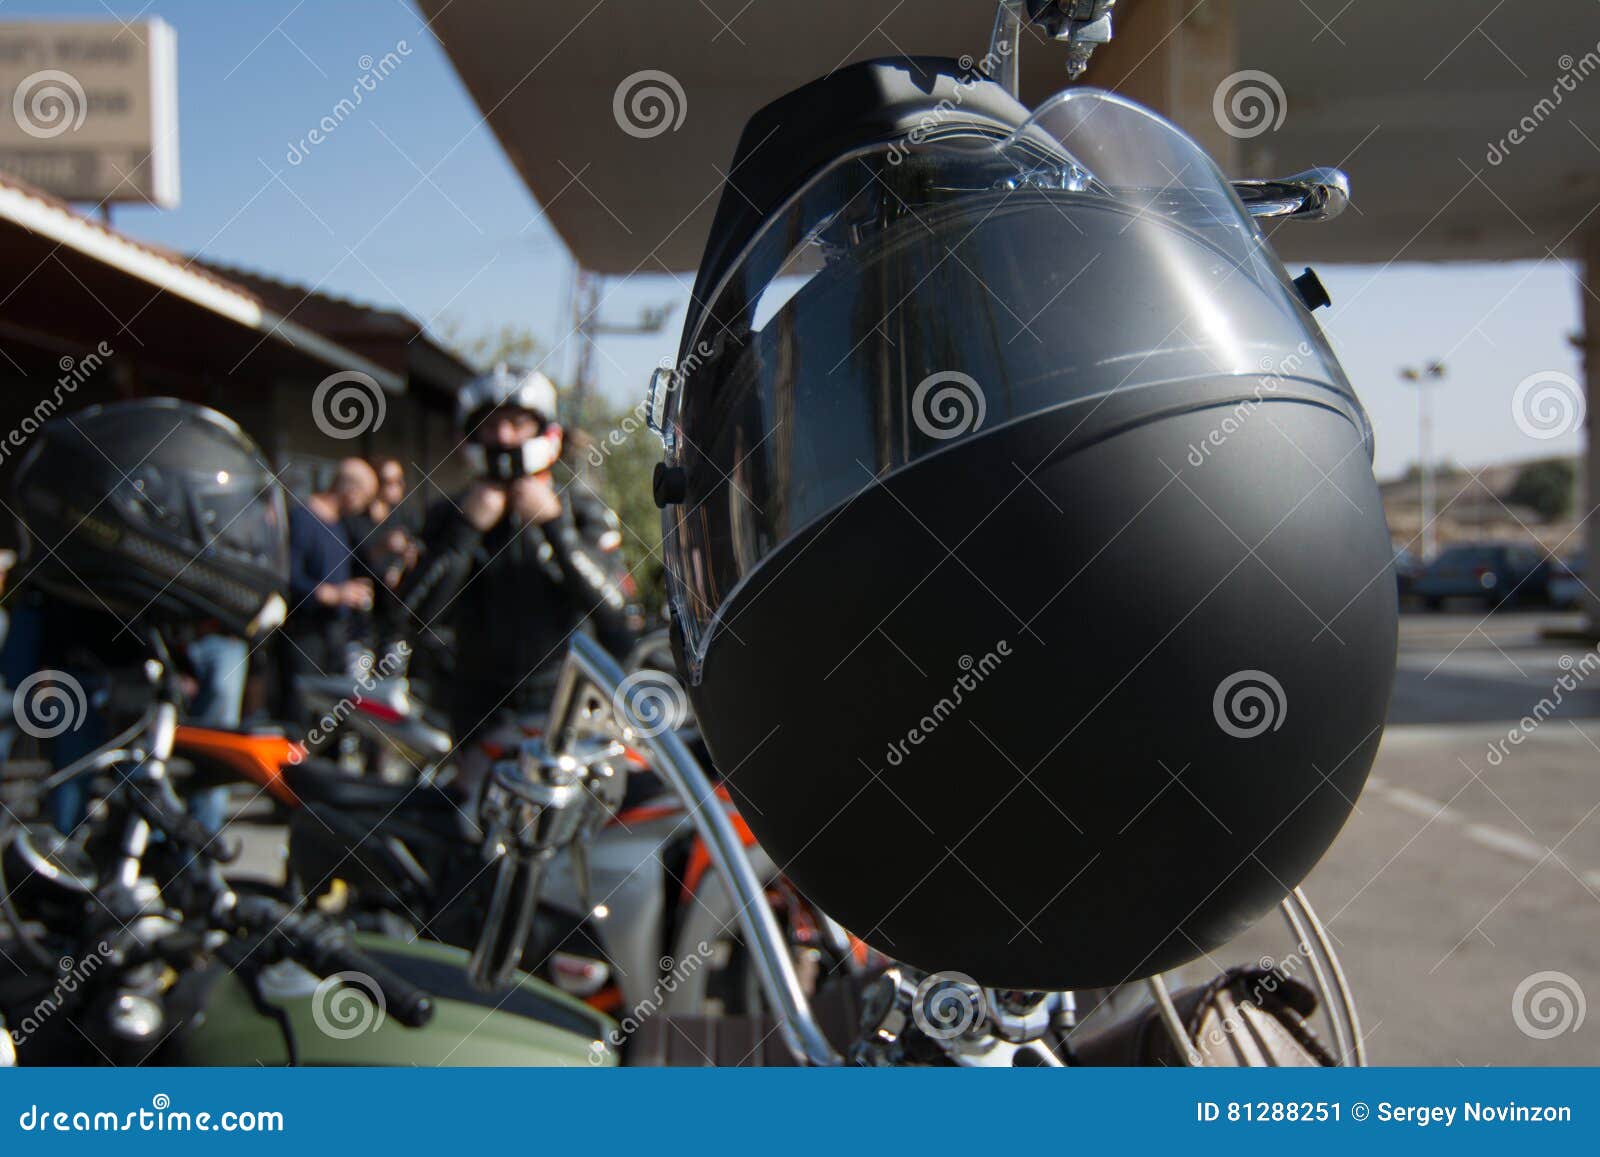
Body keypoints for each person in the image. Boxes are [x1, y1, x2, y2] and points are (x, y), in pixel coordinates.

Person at [394, 365, 635, 756]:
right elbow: (410, 614)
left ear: (545, 431)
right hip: (476, 711)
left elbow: (618, 616)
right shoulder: (447, 515)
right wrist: (465, 531)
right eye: (490, 425)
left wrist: (558, 530)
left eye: (516, 423)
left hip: (566, 704)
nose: (503, 437)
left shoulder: (582, 510)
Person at [278, 458, 375, 725]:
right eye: (364, 497)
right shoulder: (302, 519)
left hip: (333, 636)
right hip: (305, 635)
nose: (363, 506)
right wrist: (334, 594)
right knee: (300, 716)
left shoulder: (340, 526)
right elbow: (288, 578)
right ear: (350, 490)